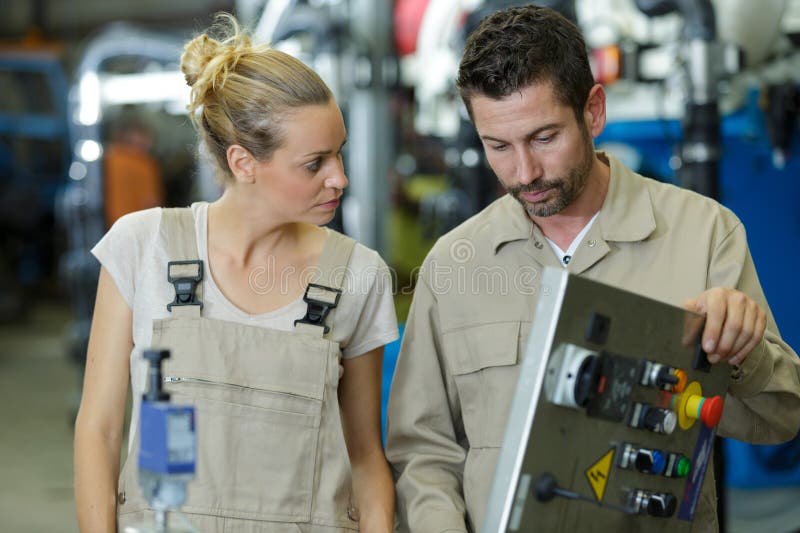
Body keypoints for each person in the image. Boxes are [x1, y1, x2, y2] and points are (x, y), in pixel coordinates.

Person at [385, 5, 800, 533]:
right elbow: (423, 452)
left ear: (594, 111)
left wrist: (742, 349)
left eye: (544, 138)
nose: (525, 172)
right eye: (498, 146)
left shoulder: (703, 234)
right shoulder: (454, 263)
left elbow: (780, 420)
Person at [74, 14, 397, 533]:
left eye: (340, 153)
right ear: (243, 162)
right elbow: (100, 430)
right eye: (314, 163)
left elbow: (365, 457)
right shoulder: (144, 247)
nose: (340, 178)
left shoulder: (358, 275)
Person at [103, 111, 165, 227]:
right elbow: (151, 203)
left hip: (114, 226)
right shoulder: (144, 164)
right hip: (140, 226)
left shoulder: (109, 159)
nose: (149, 141)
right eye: (144, 135)